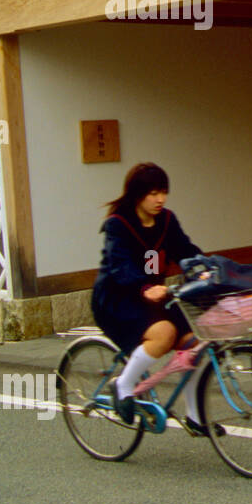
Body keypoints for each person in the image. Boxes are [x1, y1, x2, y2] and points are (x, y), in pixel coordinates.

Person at [91, 163, 217, 435]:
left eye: (163, 192)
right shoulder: (118, 223)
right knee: (164, 334)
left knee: (194, 344)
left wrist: (206, 268)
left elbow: (185, 250)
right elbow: (119, 265)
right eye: (153, 193)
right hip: (118, 299)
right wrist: (143, 286)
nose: (160, 199)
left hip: (154, 296)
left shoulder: (167, 220)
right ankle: (123, 385)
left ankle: (195, 417)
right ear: (138, 194)